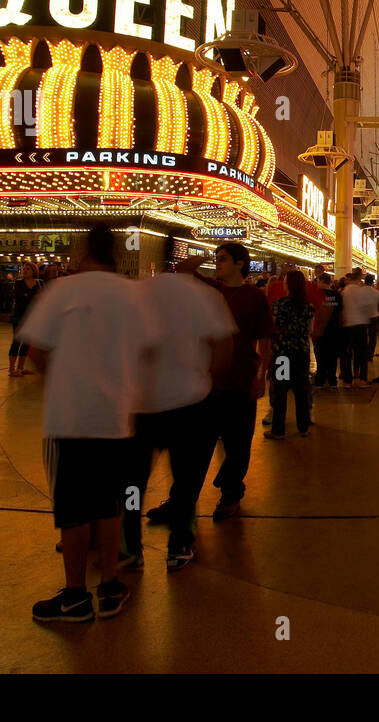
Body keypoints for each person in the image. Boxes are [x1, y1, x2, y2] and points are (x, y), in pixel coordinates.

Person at [19, 224, 162, 622]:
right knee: (109, 502)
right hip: (116, 416)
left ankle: (76, 597)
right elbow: (148, 351)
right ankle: (111, 588)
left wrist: (68, 379)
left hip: (72, 417)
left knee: (73, 510)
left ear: (85, 250)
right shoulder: (132, 294)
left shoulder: (64, 290)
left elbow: (36, 351)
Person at [124, 257, 235, 572]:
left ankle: (130, 546)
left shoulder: (138, 293)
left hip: (140, 404)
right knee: (185, 480)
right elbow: (223, 345)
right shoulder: (205, 296)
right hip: (190, 402)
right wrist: (214, 380)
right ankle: (179, 545)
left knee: (133, 481)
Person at [194, 242, 274, 520]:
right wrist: (201, 256)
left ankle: (230, 494)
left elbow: (265, 339)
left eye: (223, 258)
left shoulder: (254, 297)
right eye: (216, 258)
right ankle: (184, 497)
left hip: (241, 378)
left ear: (240, 263)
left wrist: (263, 376)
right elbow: (184, 271)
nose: (217, 262)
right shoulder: (212, 290)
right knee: (198, 443)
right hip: (208, 380)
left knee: (237, 443)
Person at [268, 269, 316, 436]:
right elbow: (310, 329)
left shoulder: (278, 304)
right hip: (301, 354)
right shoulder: (309, 306)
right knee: (301, 390)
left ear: (288, 284)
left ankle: (278, 430)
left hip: (282, 354)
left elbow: (273, 328)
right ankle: (303, 427)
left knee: (280, 391)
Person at [340, 270, 379, 387]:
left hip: (348, 325)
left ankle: (347, 381)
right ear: (359, 279)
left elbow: (341, 308)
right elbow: (368, 306)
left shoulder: (345, 291)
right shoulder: (361, 291)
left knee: (348, 353)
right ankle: (362, 379)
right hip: (361, 325)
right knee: (361, 353)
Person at [8, 263, 42, 377]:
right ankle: (12, 369)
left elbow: (40, 298)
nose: (25, 271)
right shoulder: (18, 283)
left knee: (26, 342)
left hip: (32, 316)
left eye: (28, 269)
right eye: (24, 269)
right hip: (20, 315)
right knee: (17, 341)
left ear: (34, 271)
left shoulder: (38, 283)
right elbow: (20, 298)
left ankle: (21, 367)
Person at [311, 272, 343, 386]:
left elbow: (315, 313)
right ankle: (332, 379)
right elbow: (340, 314)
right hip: (334, 329)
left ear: (320, 281)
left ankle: (320, 379)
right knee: (332, 356)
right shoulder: (337, 295)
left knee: (320, 355)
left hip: (321, 330)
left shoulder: (318, 295)